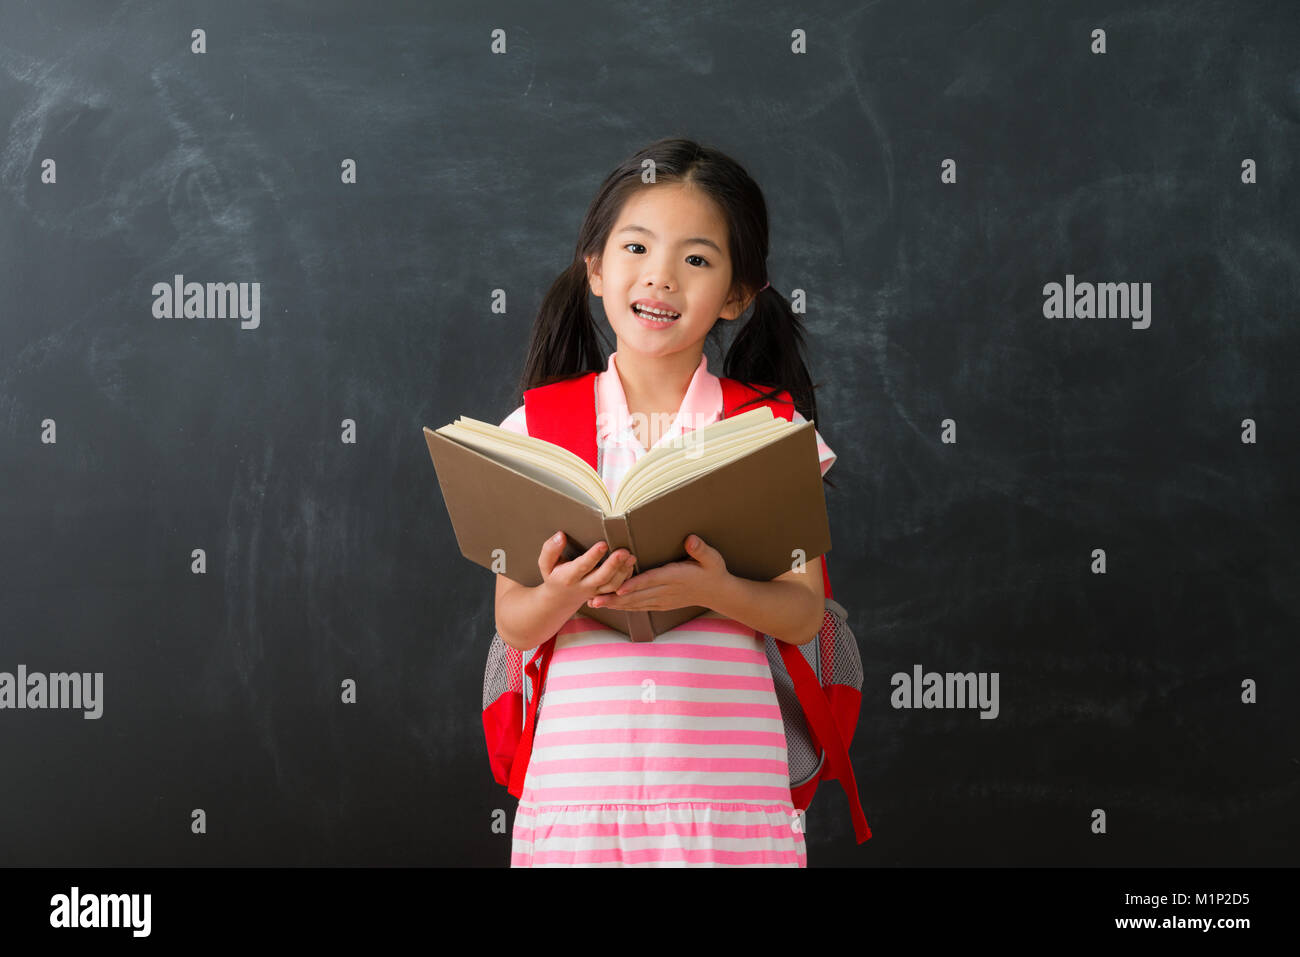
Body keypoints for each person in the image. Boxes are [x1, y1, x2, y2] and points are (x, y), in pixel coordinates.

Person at [493, 137, 838, 867]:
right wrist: (562, 592)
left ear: (738, 295)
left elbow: (805, 610)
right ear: (594, 266)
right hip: (578, 787)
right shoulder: (534, 430)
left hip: (726, 790)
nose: (662, 278)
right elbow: (513, 622)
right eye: (637, 247)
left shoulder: (768, 433)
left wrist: (719, 590)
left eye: (698, 259)